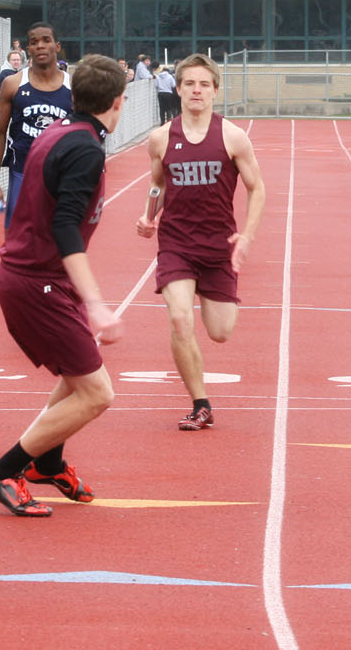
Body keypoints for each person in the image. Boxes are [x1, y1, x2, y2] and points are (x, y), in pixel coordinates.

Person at [0, 55, 128, 517]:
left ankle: (47, 462)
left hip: (39, 278)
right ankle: (3, 472)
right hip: (36, 282)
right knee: (97, 393)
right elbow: (65, 227)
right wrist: (95, 303)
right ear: (118, 102)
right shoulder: (84, 149)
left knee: (78, 375)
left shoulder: (59, 131)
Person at [134, 54, 264, 430]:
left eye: (204, 84)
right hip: (176, 244)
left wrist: (247, 235)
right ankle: (200, 404)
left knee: (220, 332)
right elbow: (157, 184)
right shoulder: (161, 138)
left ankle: (201, 396)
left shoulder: (232, 136)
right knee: (179, 319)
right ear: (177, 89)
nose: (196, 90)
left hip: (218, 246)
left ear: (215, 91)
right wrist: (148, 216)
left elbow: (257, 188)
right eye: (189, 83)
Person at [0, 23, 73, 229]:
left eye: (46, 40)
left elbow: (86, 135)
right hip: (22, 172)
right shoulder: (13, 83)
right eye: (34, 42)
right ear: (28, 50)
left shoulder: (74, 86)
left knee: (59, 238)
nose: (40, 46)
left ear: (57, 46)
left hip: (61, 176)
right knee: (16, 238)